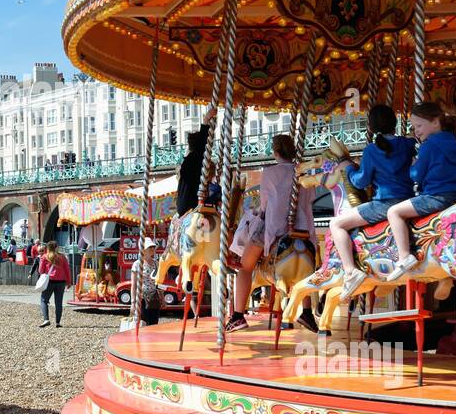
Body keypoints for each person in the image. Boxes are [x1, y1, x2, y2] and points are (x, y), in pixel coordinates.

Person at [227, 134, 314, 332]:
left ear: (275, 152)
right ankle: (307, 312)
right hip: (302, 227)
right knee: (306, 270)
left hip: (275, 227)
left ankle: (238, 315)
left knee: (245, 267)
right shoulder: (303, 172)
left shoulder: (269, 172)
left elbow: (265, 205)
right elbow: (310, 198)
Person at [332, 104, 418, 300]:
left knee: (336, 224)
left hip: (384, 203)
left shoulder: (372, 150)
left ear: (370, 127)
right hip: (408, 200)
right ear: (394, 123)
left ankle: (351, 271)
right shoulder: (408, 144)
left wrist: (348, 168)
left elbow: (360, 182)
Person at [384, 101, 456, 282]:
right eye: (414, 127)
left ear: (436, 122)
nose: (416, 131)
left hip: (437, 196)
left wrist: (414, 164)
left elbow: (416, 175)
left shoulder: (429, 145)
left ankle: (404, 255)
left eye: (419, 125)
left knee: (394, 212)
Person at [176, 105, 218, 216]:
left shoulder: (188, 161)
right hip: (191, 205)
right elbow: (202, 146)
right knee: (218, 194)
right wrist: (206, 120)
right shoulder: (194, 159)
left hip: (184, 205)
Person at [36, 241, 72, 328]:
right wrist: (69, 281)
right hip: (61, 282)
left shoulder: (45, 257)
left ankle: (46, 319)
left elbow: (41, 271)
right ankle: (58, 322)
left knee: (44, 300)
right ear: (56, 247)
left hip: (50, 282)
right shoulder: (62, 257)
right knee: (58, 302)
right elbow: (67, 270)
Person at [136, 239, 162, 325]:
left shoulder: (156, 263)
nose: (152, 249)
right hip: (142, 297)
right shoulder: (137, 264)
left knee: (154, 322)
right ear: (143, 249)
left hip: (154, 297)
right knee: (143, 321)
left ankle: (153, 338)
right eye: (149, 247)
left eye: (153, 247)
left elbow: (159, 282)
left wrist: (162, 297)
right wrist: (133, 302)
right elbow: (133, 284)